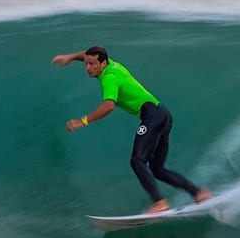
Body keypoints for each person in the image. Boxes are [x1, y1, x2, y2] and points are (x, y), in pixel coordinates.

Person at [52, 45, 211, 214]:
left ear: (103, 64)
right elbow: (87, 55)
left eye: (92, 64)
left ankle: (160, 203)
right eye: (86, 64)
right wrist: (69, 56)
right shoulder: (111, 63)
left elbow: (108, 106)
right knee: (157, 169)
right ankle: (198, 193)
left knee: (137, 161)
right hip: (163, 115)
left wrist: (82, 121)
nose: (88, 68)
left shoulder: (109, 78)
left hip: (153, 116)